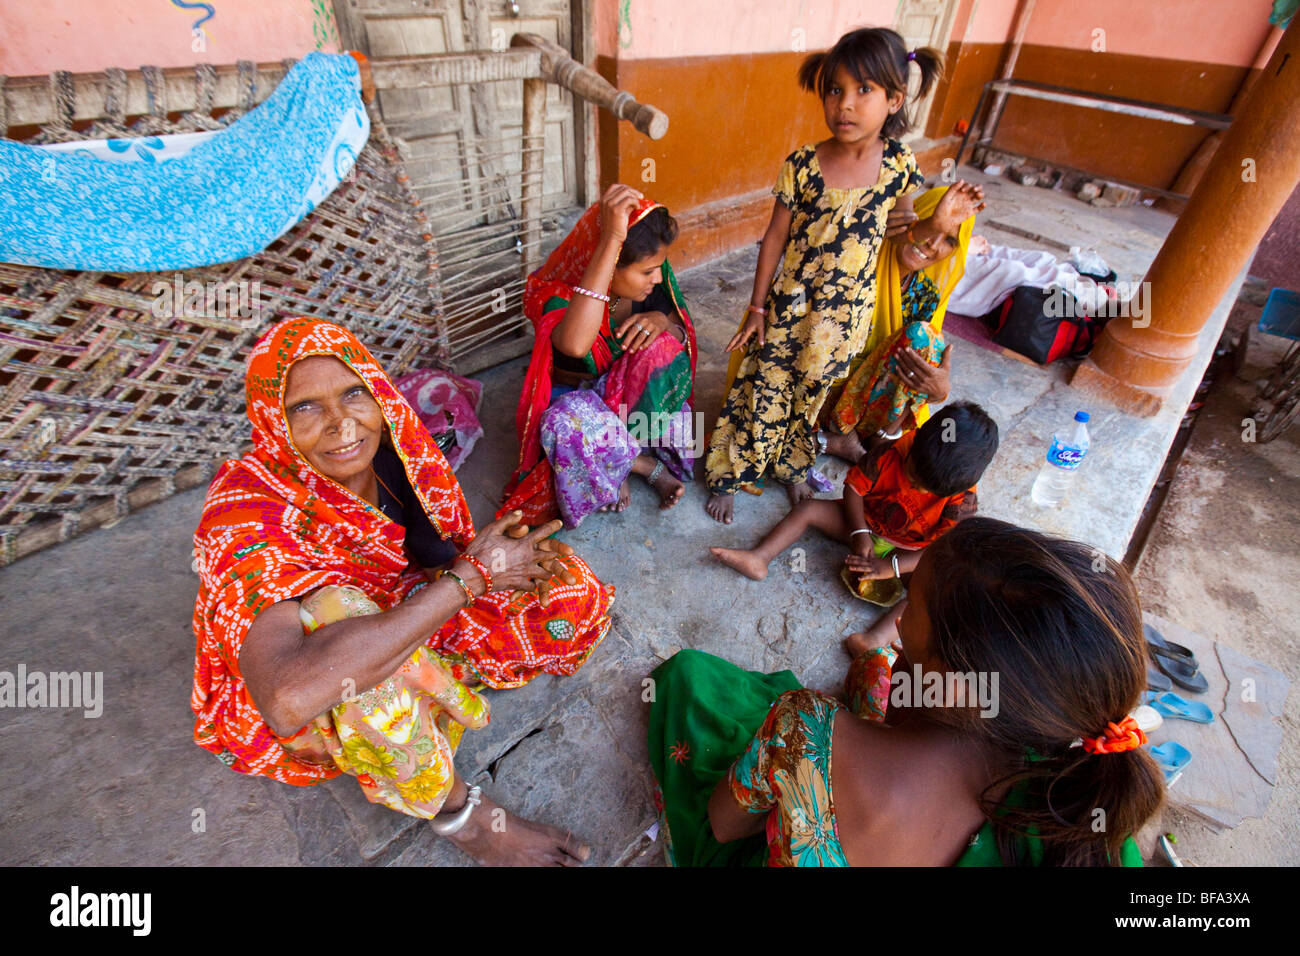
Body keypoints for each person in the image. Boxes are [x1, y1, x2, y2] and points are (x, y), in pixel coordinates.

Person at [191, 317, 615, 865]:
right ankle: (463, 818)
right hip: (318, 682)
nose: (342, 424)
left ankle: (427, 679)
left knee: (564, 585)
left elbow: (434, 550)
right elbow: (286, 697)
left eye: (353, 394)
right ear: (272, 417)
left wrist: (481, 559)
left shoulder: (397, 448)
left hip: (404, 605)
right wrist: (471, 579)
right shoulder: (244, 516)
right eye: (305, 407)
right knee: (353, 651)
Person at [650, 517, 1163, 866]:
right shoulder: (1074, 800)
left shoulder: (803, 725)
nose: (898, 613)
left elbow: (723, 825)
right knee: (874, 668)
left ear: (951, 680)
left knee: (689, 678)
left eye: (912, 603)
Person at [704, 27, 942, 524]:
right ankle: (732, 471)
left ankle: (791, 466)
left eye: (863, 91)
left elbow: (904, 240)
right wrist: (756, 307)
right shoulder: (803, 166)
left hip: (846, 318)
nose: (845, 105)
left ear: (895, 100)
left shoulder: (900, 166)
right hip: (790, 307)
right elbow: (773, 238)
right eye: (835, 90)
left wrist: (929, 228)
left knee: (811, 398)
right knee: (765, 383)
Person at [501, 184, 698, 528]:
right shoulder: (558, 295)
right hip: (582, 403)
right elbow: (576, 345)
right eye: (645, 271)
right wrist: (611, 238)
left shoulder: (651, 286)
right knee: (565, 426)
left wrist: (664, 322)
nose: (656, 278)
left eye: (658, 268)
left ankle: (618, 457)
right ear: (608, 264)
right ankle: (641, 465)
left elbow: (683, 337)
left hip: (628, 404)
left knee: (668, 365)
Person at [711, 402, 997, 604]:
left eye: (927, 489)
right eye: (913, 476)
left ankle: (874, 638)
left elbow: (944, 548)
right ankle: (760, 557)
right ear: (917, 439)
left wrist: (893, 567)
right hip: (864, 523)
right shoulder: (891, 451)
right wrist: (860, 533)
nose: (915, 487)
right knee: (807, 509)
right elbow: (854, 489)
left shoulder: (963, 499)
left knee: (933, 589)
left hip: (909, 549)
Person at [822, 181, 984, 463]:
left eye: (949, 240)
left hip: (860, 404)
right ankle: (824, 439)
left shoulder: (923, 294)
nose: (932, 244)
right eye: (933, 226)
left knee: (926, 341)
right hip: (815, 392)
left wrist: (937, 390)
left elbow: (918, 361)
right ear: (914, 220)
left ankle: (877, 441)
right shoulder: (860, 258)